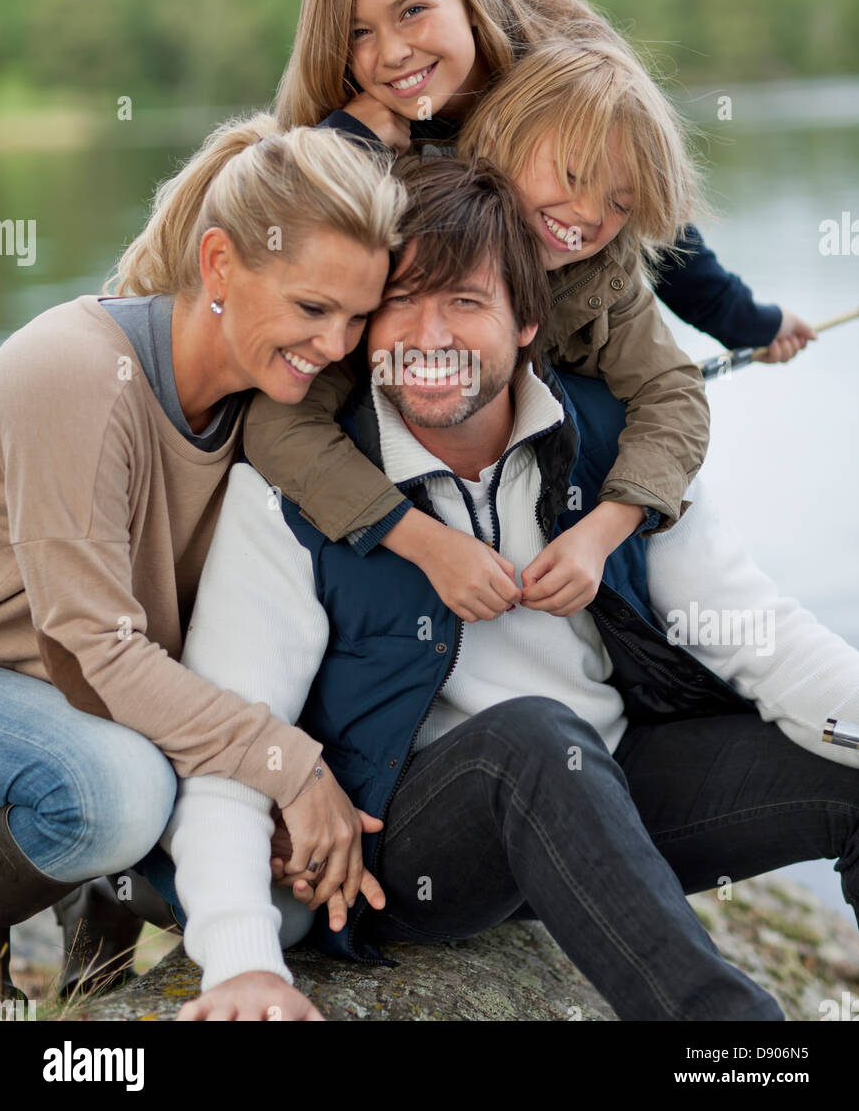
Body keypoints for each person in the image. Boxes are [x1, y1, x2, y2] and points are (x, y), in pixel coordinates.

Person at [157, 158, 859, 1022]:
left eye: (464, 301)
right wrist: (241, 966)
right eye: (400, 303)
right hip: (421, 843)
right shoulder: (292, 493)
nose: (428, 336)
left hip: (618, 800)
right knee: (533, 738)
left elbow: (759, 634)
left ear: (528, 320)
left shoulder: (615, 447)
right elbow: (230, 743)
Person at [243, 0, 815, 624]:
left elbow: (652, 213)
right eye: (357, 33)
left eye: (413, 10)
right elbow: (282, 251)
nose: (390, 52)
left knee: (610, 406)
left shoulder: (557, 80)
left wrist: (751, 322)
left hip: (550, 378)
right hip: (432, 413)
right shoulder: (366, 151)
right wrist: (346, 146)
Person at [0, 116, 404, 1002]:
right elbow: (92, 656)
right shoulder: (75, 373)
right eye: (311, 309)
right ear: (220, 264)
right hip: (37, 683)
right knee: (119, 795)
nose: (337, 347)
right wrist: (283, 764)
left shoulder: (266, 411)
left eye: (358, 317)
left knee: (287, 913)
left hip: (79, 695)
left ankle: (99, 906)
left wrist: (266, 802)